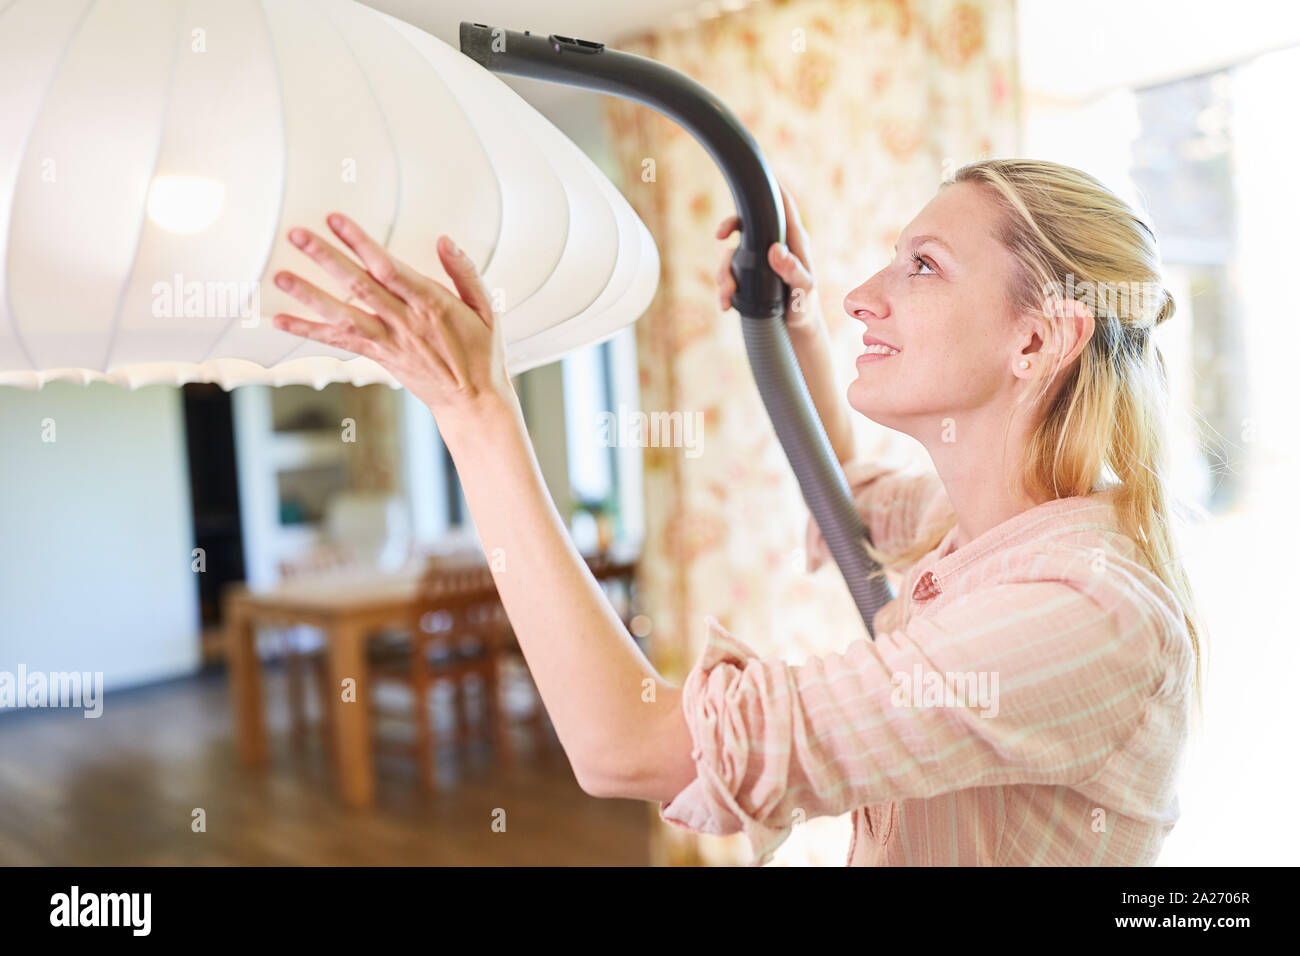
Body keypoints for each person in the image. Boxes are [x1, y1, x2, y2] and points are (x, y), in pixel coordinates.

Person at [270, 157, 1202, 866]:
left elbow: (625, 747)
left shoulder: (1085, 611)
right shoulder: (1010, 527)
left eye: (921, 266)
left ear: (1038, 338)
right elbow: (850, 501)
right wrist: (789, 319)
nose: (862, 298)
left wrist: (474, 409)